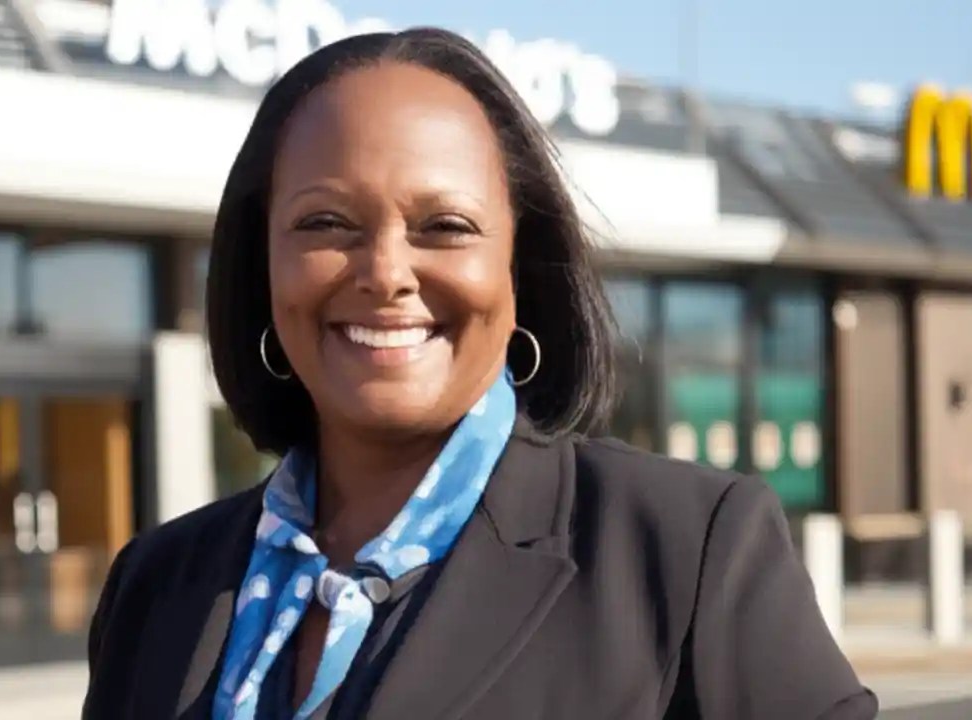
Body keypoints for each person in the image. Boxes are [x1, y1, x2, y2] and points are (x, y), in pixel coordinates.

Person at [82, 28, 877, 720]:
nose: (386, 272)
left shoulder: (688, 551)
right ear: (263, 265)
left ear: (517, 266)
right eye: (325, 223)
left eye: (445, 227)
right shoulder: (154, 587)